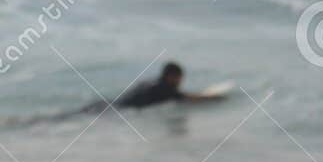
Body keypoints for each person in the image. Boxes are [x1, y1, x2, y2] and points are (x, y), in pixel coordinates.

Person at [86, 62, 226, 112]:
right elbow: (188, 98)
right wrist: (216, 98)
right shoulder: (165, 89)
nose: (180, 81)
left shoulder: (151, 83)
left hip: (107, 104)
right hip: (116, 110)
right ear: (171, 76)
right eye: (179, 78)